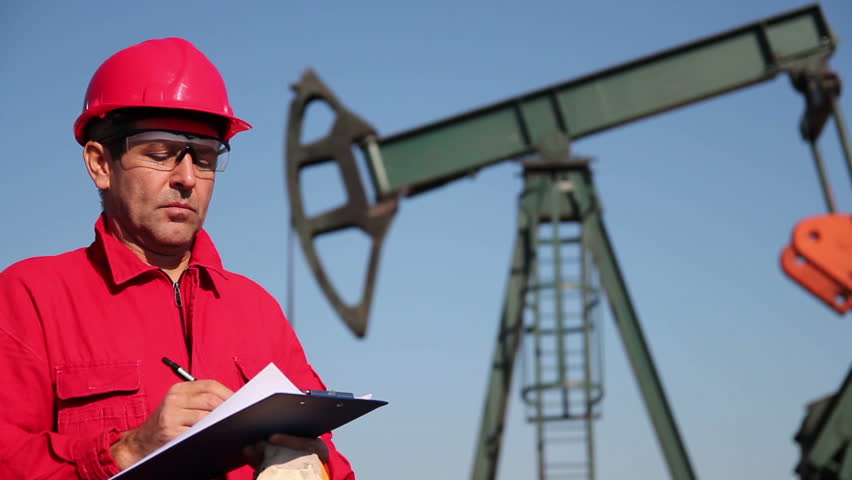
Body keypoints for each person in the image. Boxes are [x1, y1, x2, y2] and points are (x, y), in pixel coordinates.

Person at [0, 38, 354, 480]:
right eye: (161, 154)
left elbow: (334, 464)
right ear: (100, 163)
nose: (187, 178)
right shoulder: (30, 297)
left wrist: (314, 465)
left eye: (204, 159)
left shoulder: (257, 311)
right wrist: (128, 450)